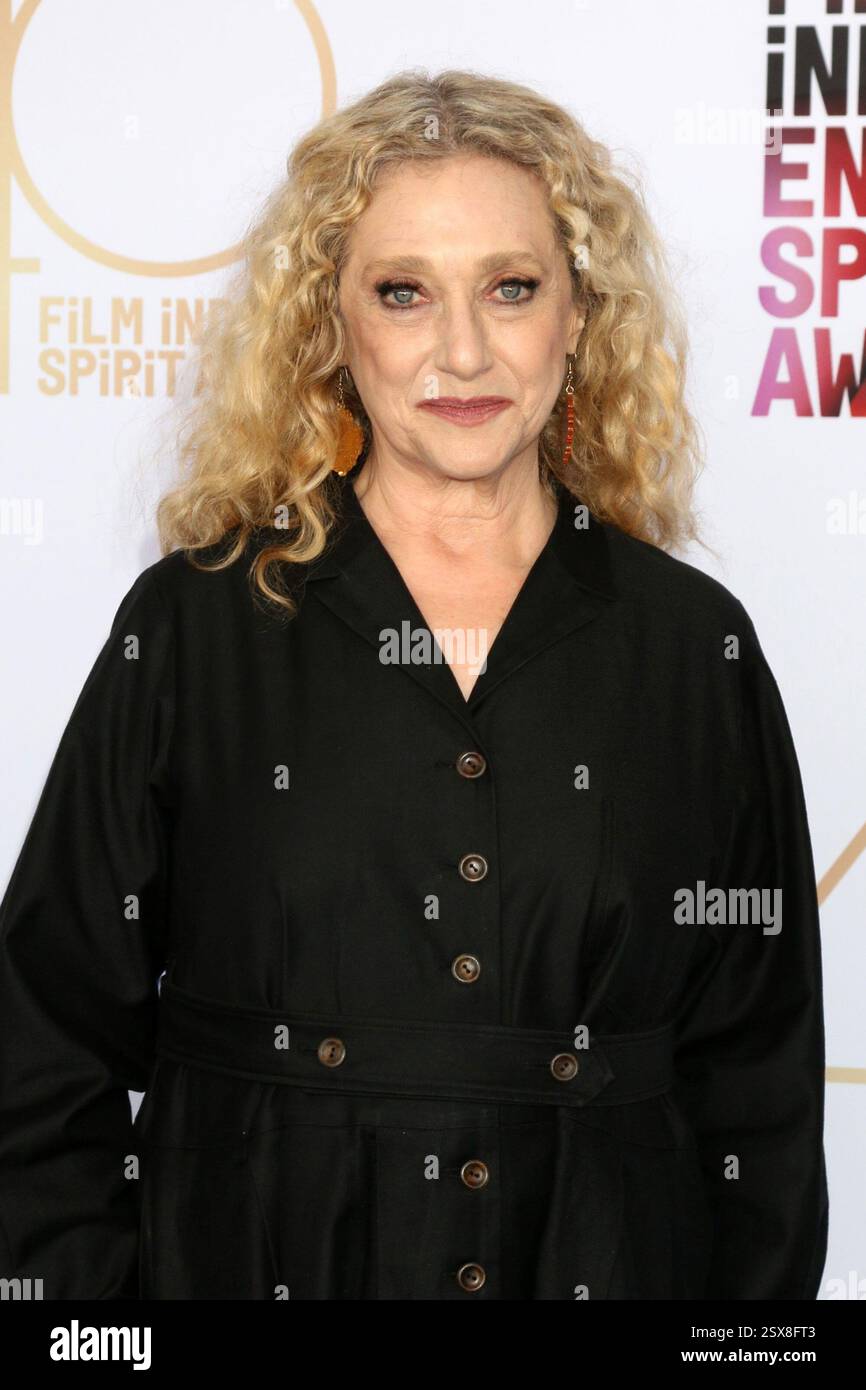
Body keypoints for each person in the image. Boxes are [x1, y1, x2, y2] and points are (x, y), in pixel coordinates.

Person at [0, 68, 828, 1300]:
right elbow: (42, 1050)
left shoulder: (690, 650)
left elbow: (755, 1098)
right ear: (330, 327)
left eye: (510, 287)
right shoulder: (193, 629)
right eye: (402, 293)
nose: (460, 349)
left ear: (576, 316)